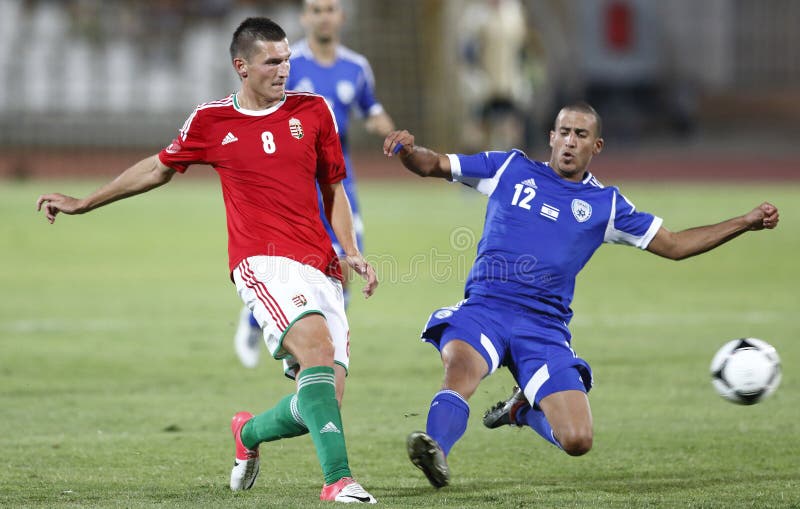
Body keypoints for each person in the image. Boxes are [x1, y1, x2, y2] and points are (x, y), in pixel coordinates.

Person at [37, 17, 379, 504]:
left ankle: (249, 434)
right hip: (261, 262)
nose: (284, 70)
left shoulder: (315, 111)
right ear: (242, 66)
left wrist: (350, 251)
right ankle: (338, 480)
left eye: (287, 60)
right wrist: (83, 202)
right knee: (318, 351)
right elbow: (158, 168)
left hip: (318, 263)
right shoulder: (211, 121)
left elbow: (333, 187)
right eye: (272, 62)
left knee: (322, 402)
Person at [381, 102, 779, 488]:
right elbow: (433, 165)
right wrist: (409, 152)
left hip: (543, 327)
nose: (570, 141)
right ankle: (438, 452)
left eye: (581, 135)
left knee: (577, 439)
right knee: (461, 370)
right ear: (551, 137)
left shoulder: (605, 205)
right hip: (486, 309)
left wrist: (745, 222)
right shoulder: (509, 167)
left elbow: (674, 244)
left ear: (596, 146)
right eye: (564, 132)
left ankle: (521, 411)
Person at [233, 0, 395, 369]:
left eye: (330, 8)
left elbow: (372, 112)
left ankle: (323, 337)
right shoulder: (286, 65)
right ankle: (256, 321)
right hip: (294, 186)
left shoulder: (357, 68)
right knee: (285, 263)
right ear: (305, 18)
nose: (324, 15)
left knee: (343, 267)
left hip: (339, 184)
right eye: (316, 9)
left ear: (341, 16)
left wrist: (394, 135)